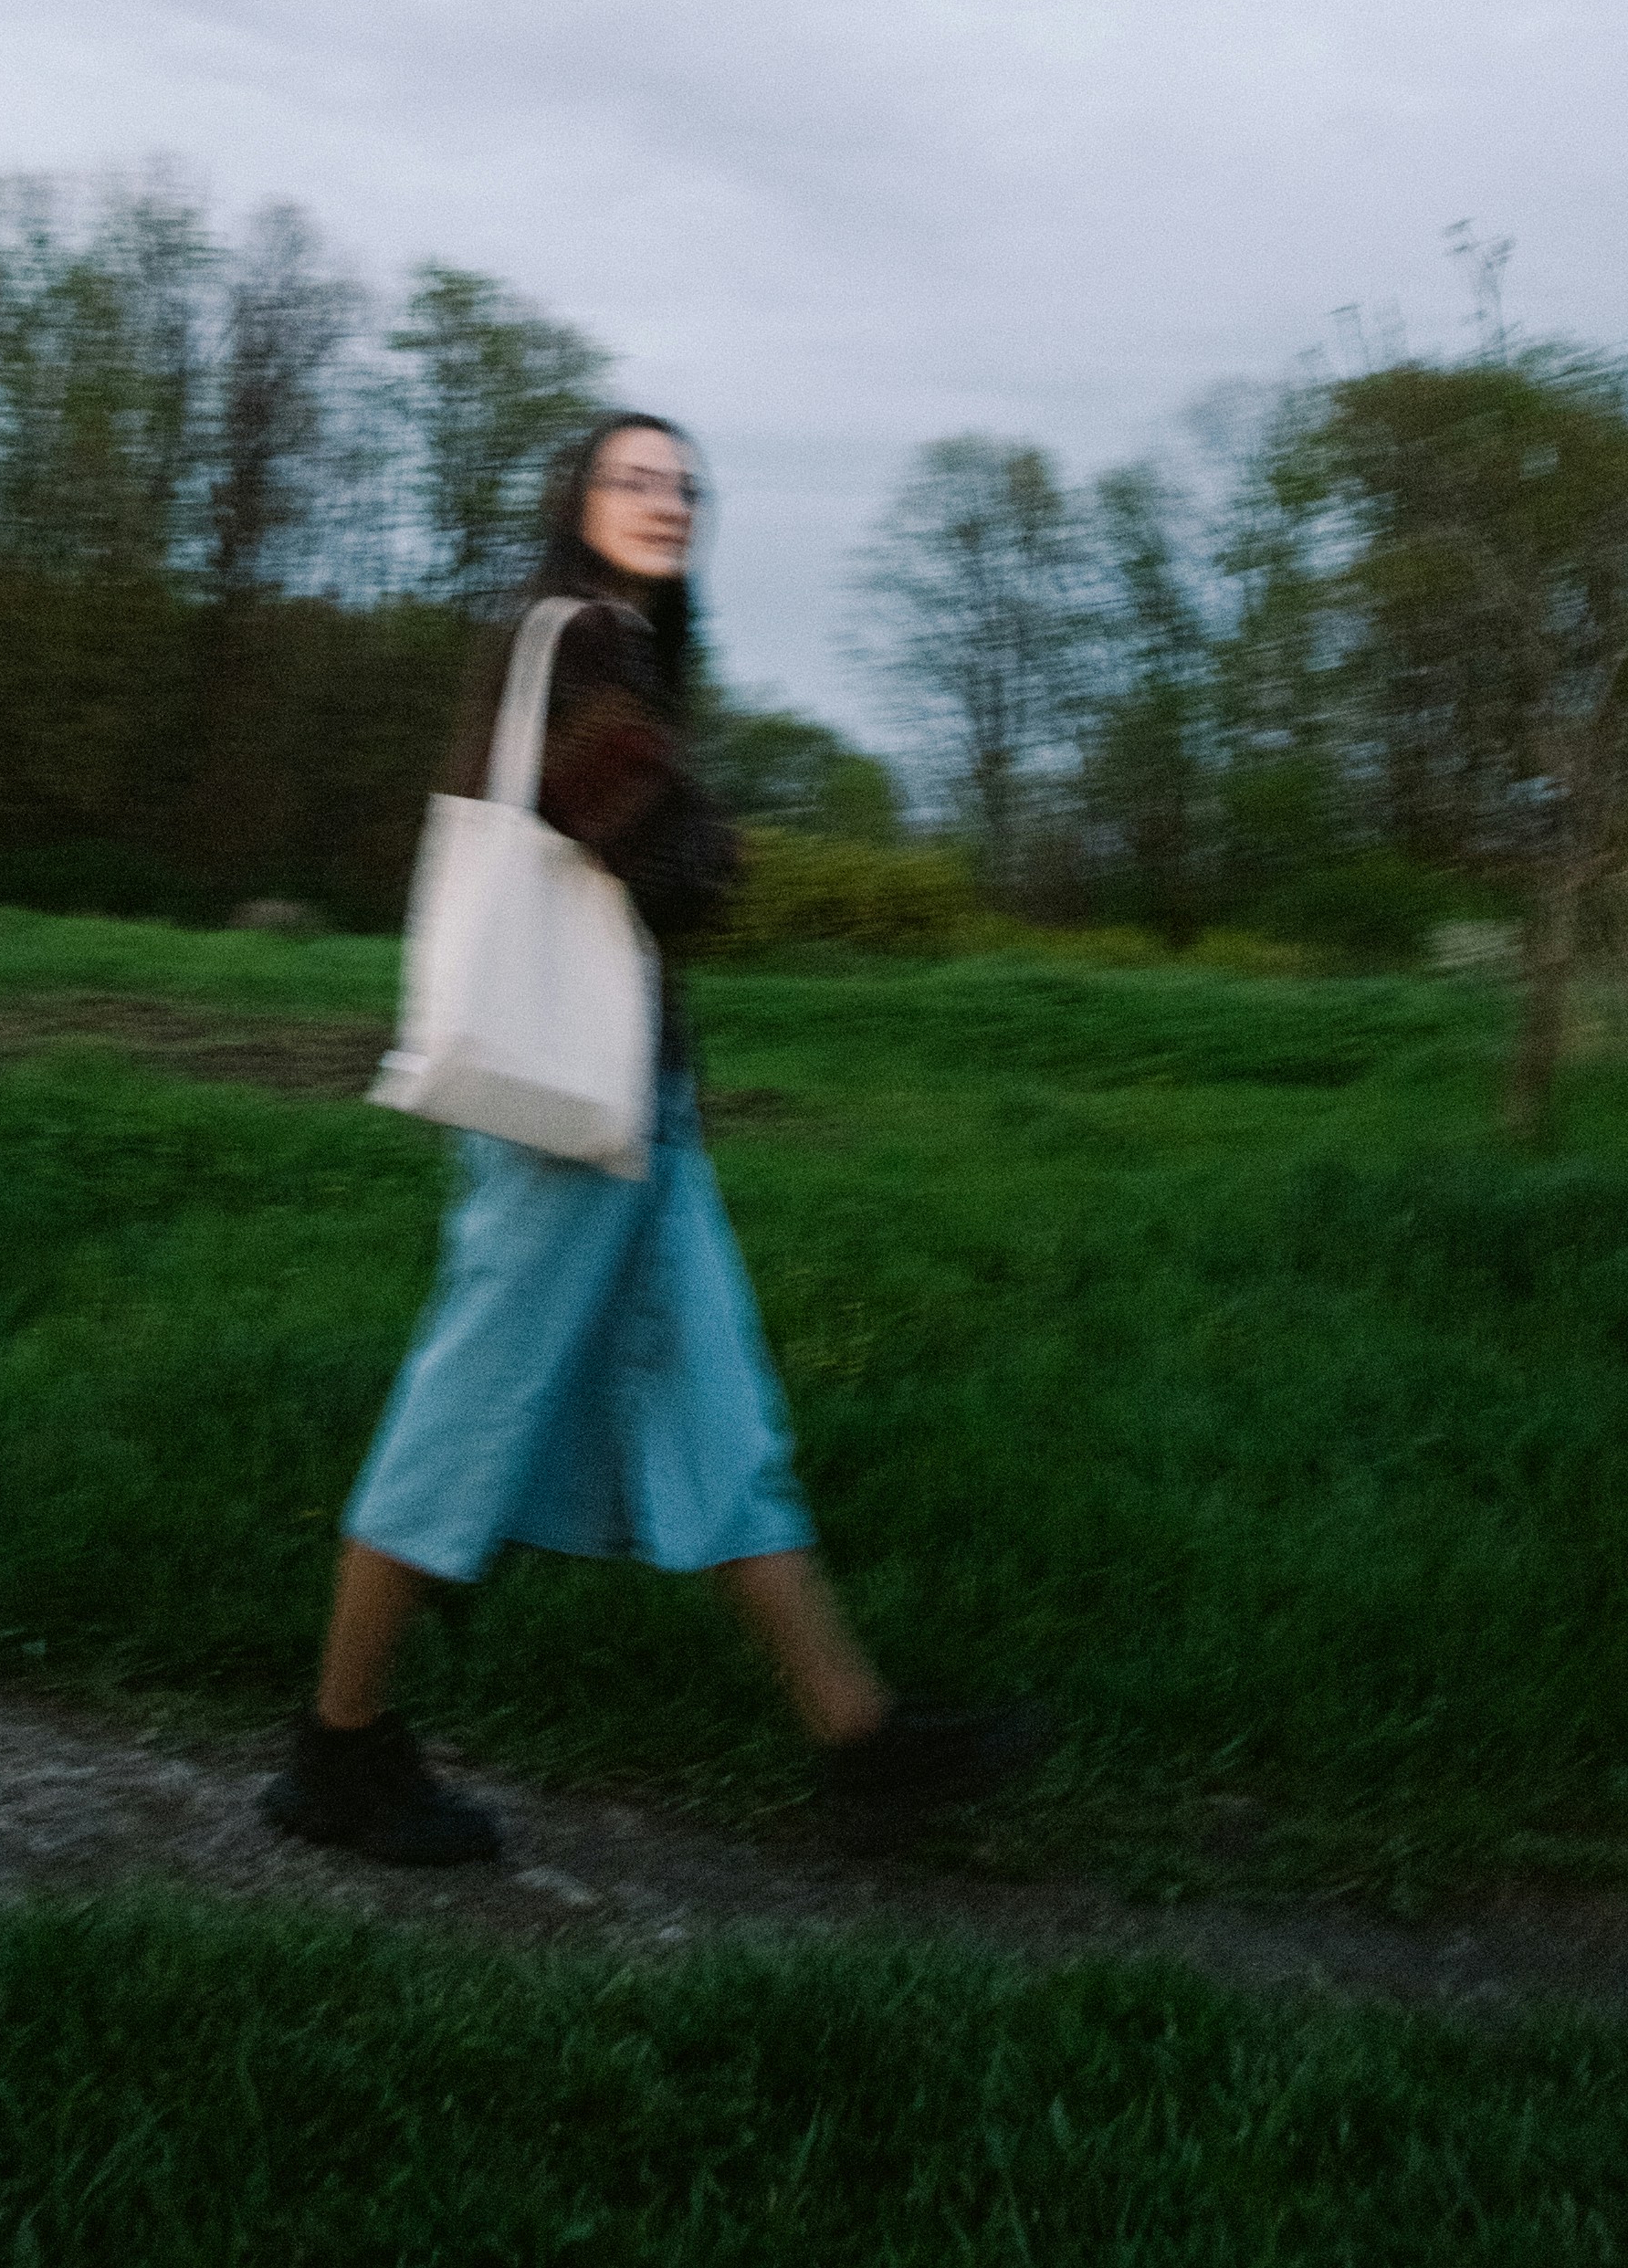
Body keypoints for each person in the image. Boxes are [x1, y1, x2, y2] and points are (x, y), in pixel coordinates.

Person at [263, 412, 1045, 1867]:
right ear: (576, 501)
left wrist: (697, 846)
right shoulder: (582, 637)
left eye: (683, 485)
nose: (665, 500)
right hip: (570, 1110)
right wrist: (720, 850)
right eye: (632, 479)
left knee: (721, 1423)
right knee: (463, 1411)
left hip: (635, 1104)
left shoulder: (602, 645)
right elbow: (653, 844)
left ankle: (859, 1741)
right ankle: (338, 1751)